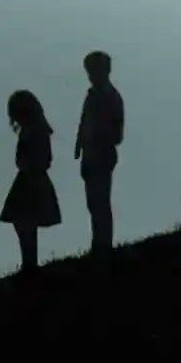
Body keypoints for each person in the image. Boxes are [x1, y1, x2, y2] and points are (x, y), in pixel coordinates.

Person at [0, 90, 62, 275]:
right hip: (30, 177)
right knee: (24, 222)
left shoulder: (36, 130)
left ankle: (29, 263)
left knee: (25, 221)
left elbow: (44, 158)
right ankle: (29, 262)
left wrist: (29, 166)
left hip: (31, 178)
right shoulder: (34, 129)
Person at [75, 50, 125, 256]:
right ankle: (99, 241)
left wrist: (99, 141)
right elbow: (84, 121)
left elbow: (115, 132)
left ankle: (103, 243)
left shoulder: (109, 96)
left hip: (102, 153)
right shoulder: (93, 95)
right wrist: (80, 145)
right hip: (91, 154)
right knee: (93, 202)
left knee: (100, 201)